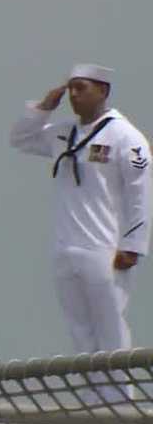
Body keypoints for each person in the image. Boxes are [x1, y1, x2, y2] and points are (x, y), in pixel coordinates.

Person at [9, 64, 150, 383]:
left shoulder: (125, 136)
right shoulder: (63, 132)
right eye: (71, 87)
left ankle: (117, 406)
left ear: (103, 91)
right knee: (81, 333)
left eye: (82, 88)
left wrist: (133, 245)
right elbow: (20, 138)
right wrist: (44, 107)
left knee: (110, 330)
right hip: (66, 245)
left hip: (106, 247)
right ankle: (93, 402)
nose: (74, 95)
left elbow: (140, 194)